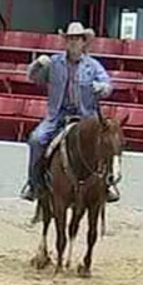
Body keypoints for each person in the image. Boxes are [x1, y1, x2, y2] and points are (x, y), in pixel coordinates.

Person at [22, 21, 118, 203]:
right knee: (36, 140)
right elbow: (34, 78)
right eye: (70, 38)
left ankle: (106, 184)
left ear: (84, 42)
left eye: (77, 39)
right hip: (57, 116)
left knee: (104, 144)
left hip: (86, 118)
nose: (73, 42)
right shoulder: (54, 63)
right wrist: (36, 65)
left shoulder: (93, 66)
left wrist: (102, 87)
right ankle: (34, 184)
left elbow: (108, 85)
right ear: (65, 41)